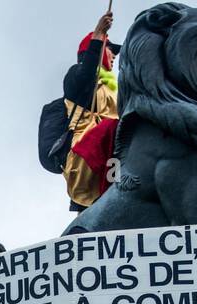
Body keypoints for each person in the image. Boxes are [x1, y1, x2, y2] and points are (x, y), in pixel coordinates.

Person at [63, 11, 121, 212]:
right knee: (115, 125)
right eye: (110, 49)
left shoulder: (115, 90)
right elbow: (87, 71)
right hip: (84, 157)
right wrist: (99, 34)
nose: (114, 56)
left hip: (112, 161)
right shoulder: (77, 77)